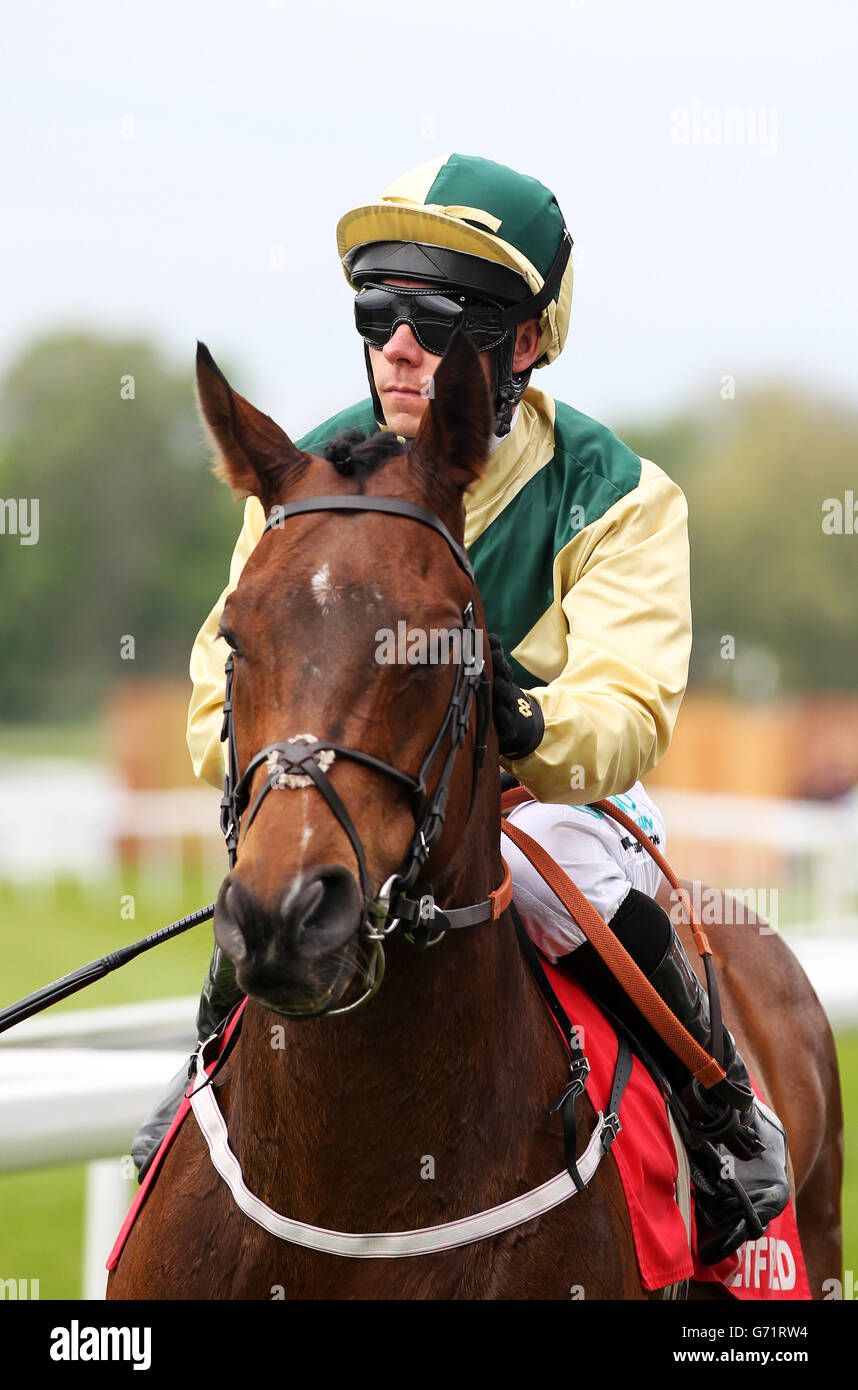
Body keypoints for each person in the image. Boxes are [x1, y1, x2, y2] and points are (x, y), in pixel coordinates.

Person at [132, 153, 788, 1265]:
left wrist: (511, 725)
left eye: (434, 320)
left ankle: (720, 1111)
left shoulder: (620, 492)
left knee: (552, 872)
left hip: (547, 799)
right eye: (377, 311)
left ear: (519, 343)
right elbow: (218, 688)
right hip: (344, 788)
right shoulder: (306, 481)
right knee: (267, 884)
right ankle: (193, 1091)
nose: (395, 344)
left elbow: (628, 706)